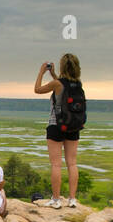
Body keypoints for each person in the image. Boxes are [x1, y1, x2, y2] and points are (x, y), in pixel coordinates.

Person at [34, 53, 83, 208]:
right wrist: (53, 74)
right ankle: (72, 199)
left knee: (56, 164)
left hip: (56, 126)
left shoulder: (56, 84)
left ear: (62, 66)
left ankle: (55, 200)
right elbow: (63, 85)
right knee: (72, 163)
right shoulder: (78, 84)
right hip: (73, 126)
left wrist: (42, 72)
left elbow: (37, 89)